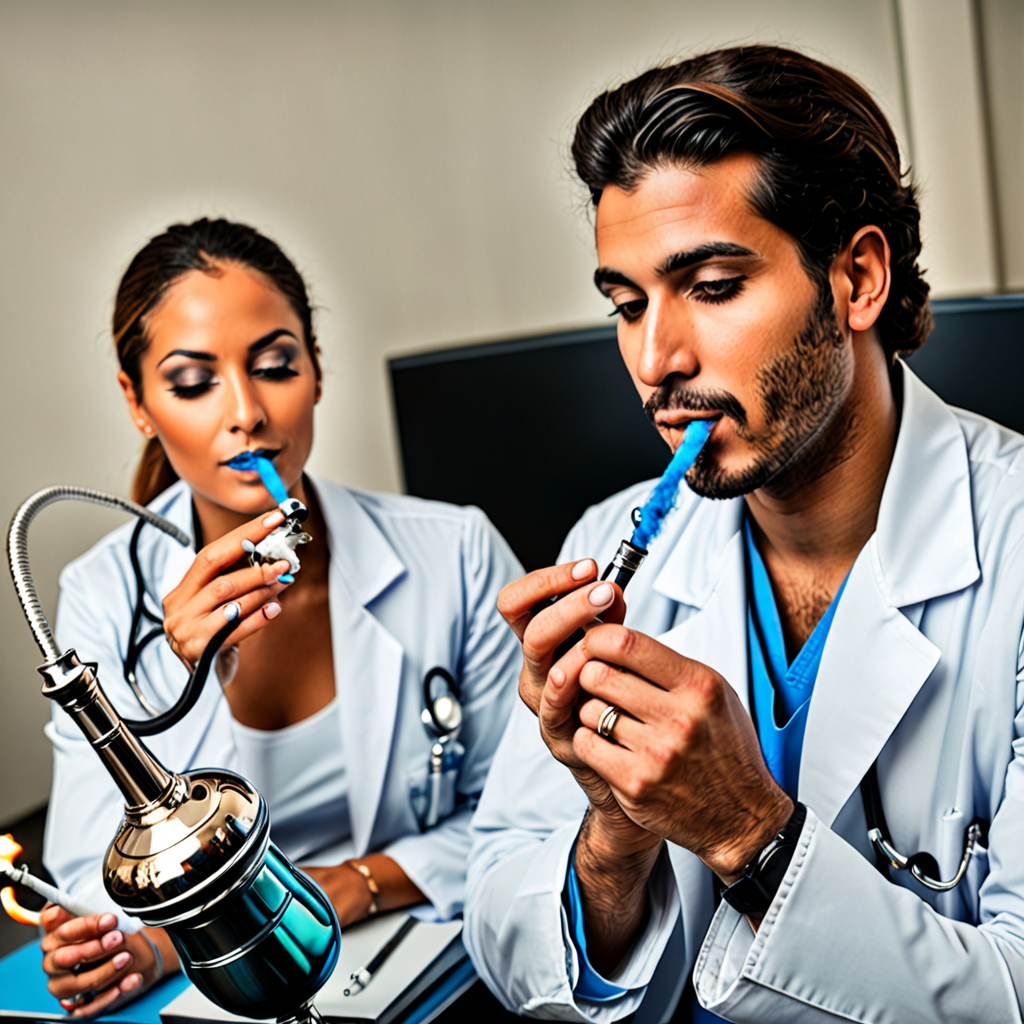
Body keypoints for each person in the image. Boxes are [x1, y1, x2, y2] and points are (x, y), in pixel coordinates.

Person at [464, 46, 1024, 1023]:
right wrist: (613, 823)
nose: (655, 360)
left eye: (713, 286)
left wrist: (744, 830)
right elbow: (513, 947)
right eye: (626, 304)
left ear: (854, 278)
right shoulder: (609, 542)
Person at [37, 218, 522, 1017]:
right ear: (138, 404)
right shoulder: (101, 596)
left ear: (318, 372)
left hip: (423, 956)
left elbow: (530, 812)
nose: (247, 413)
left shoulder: (454, 552)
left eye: (273, 367)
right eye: (193, 382)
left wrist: (358, 885)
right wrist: (188, 675)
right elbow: (97, 873)